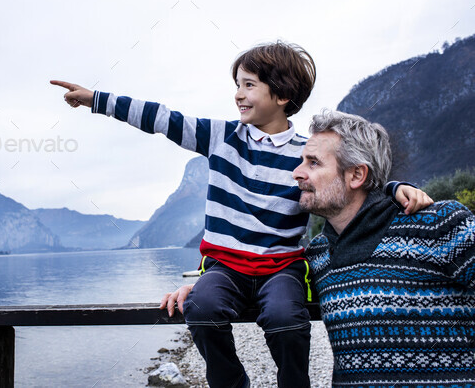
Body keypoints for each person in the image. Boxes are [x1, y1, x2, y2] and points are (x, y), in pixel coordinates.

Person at [52, 41, 428, 388]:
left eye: (249, 85)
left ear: (281, 96)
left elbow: (351, 181)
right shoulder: (221, 138)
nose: (237, 94)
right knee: (200, 308)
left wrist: (396, 189)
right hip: (224, 267)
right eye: (237, 84)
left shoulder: (305, 154)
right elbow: (162, 118)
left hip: (281, 266)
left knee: (286, 320)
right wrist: (95, 99)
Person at [164, 109, 474, 386]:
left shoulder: (439, 225)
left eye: (312, 163)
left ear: (356, 175)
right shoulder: (319, 255)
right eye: (301, 161)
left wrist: (394, 189)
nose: (296, 173)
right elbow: (266, 277)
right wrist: (209, 286)